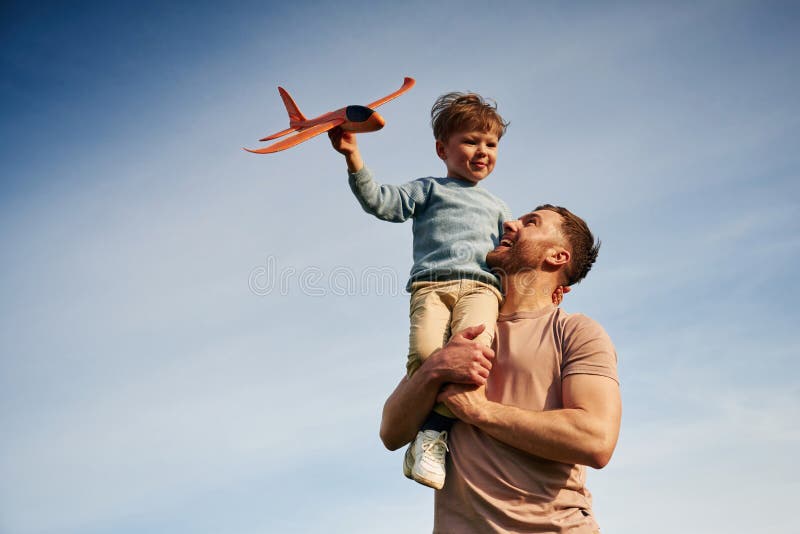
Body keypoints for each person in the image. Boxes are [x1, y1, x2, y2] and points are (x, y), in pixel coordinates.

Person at [379, 205, 621, 533]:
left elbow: (595, 439)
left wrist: (480, 411)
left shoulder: (575, 332)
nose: (509, 224)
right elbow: (391, 432)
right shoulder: (461, 331)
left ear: (557, 256)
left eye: (530, 222)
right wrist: (436, 367)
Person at [328, 92, 516, 490]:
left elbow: (508, 257)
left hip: (482, 289)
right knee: (428, 357)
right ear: (442, 148)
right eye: (470, 141)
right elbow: (382, 203)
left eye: (491, 144)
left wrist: (515, 242)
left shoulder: (500, 208)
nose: (482, 151)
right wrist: (353, 158)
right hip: (431, 287)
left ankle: (432, 436)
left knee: (475, 359)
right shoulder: (429, 189)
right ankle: (424, 429)